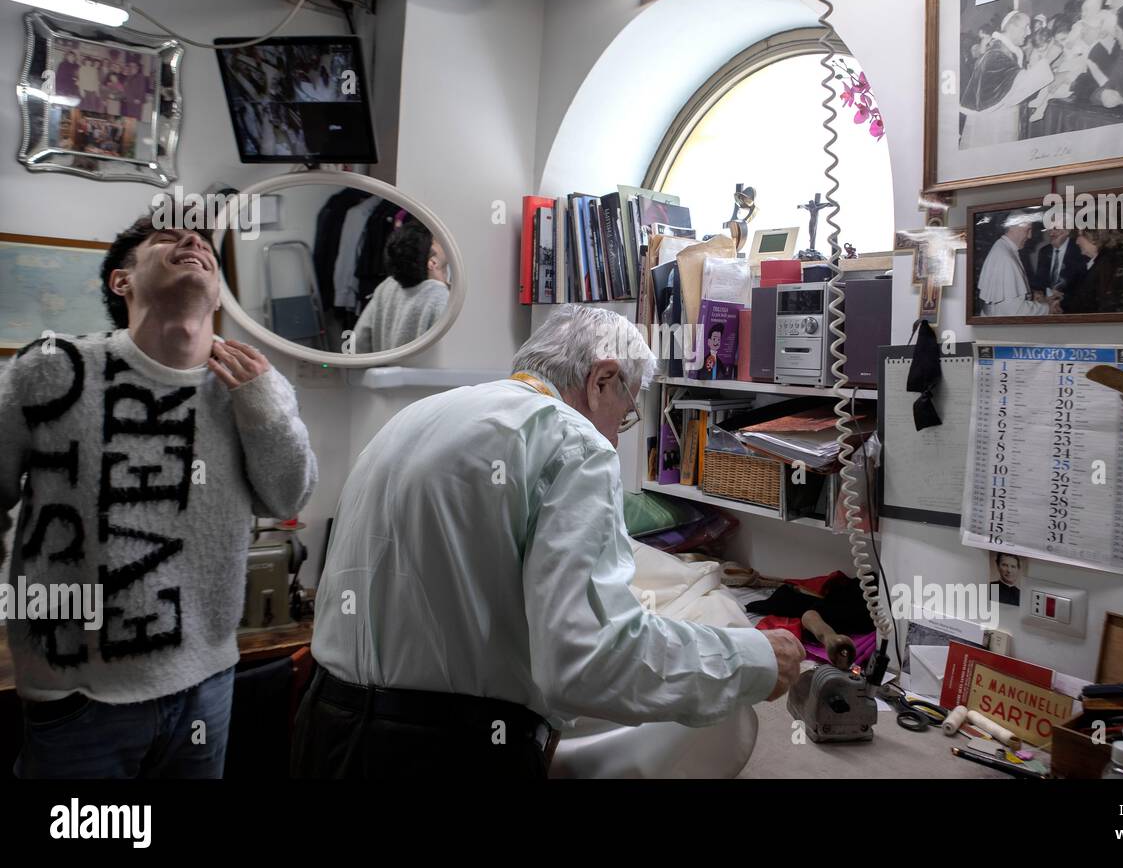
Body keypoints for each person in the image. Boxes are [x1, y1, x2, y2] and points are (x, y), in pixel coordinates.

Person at [295, 306, 804, 778]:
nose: (616, 439)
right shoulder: (570, 439)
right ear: (603, 378)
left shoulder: (413, 418)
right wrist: (753, 659)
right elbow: (590, 661)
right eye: (625, 416)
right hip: (444, 752)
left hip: (323, 727)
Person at [0, 216, 318, 778]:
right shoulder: (52, 369)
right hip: (77, 699)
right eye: (168, 239)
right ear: (122, 281)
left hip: (206, 685)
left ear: (217, 292)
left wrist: (265, 404)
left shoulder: (251, 386)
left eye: (205, 247)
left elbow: (286, 496)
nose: (194, 241)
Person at [958, 11, 1054, 149]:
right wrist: (1047, 60)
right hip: (993, 124)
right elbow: (1017, 88)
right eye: (1026, 27)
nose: (1028, 32)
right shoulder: (996, 55)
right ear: (1013, 27)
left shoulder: (1005, 52)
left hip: (1002, 120)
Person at [351, 220, 450, 354]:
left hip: (387, 372)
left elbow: (359, 342)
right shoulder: (440, 297)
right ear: (432, 262)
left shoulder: (387, 286)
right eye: (438, 241)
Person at [977, 212, 1053, 317]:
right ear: (1012, 227)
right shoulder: (1005, 258)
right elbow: (1014, 311)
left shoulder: (1002, 246)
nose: (1030, 236)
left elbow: (1010, 295)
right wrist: (1048, 308)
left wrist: (1031, 295)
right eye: (1028, 230)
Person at [1060, 228, 1119, 314]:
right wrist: (1063, 298)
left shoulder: (1106, 265)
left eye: (1079, 235)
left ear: (1092, 236)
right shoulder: (1095, 262)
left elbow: (1096, 308)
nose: (1076, 241)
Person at [1030, 225, 1087, 300]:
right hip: (1047, 305)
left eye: (1056, 229)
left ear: (1067, 230)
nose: (1050, 233)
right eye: (1049, 229)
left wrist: (1064, 296)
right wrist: (1038, 293)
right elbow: (1038, 283)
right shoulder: (1044, 251)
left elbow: (1084, 286)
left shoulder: (1080, 250)